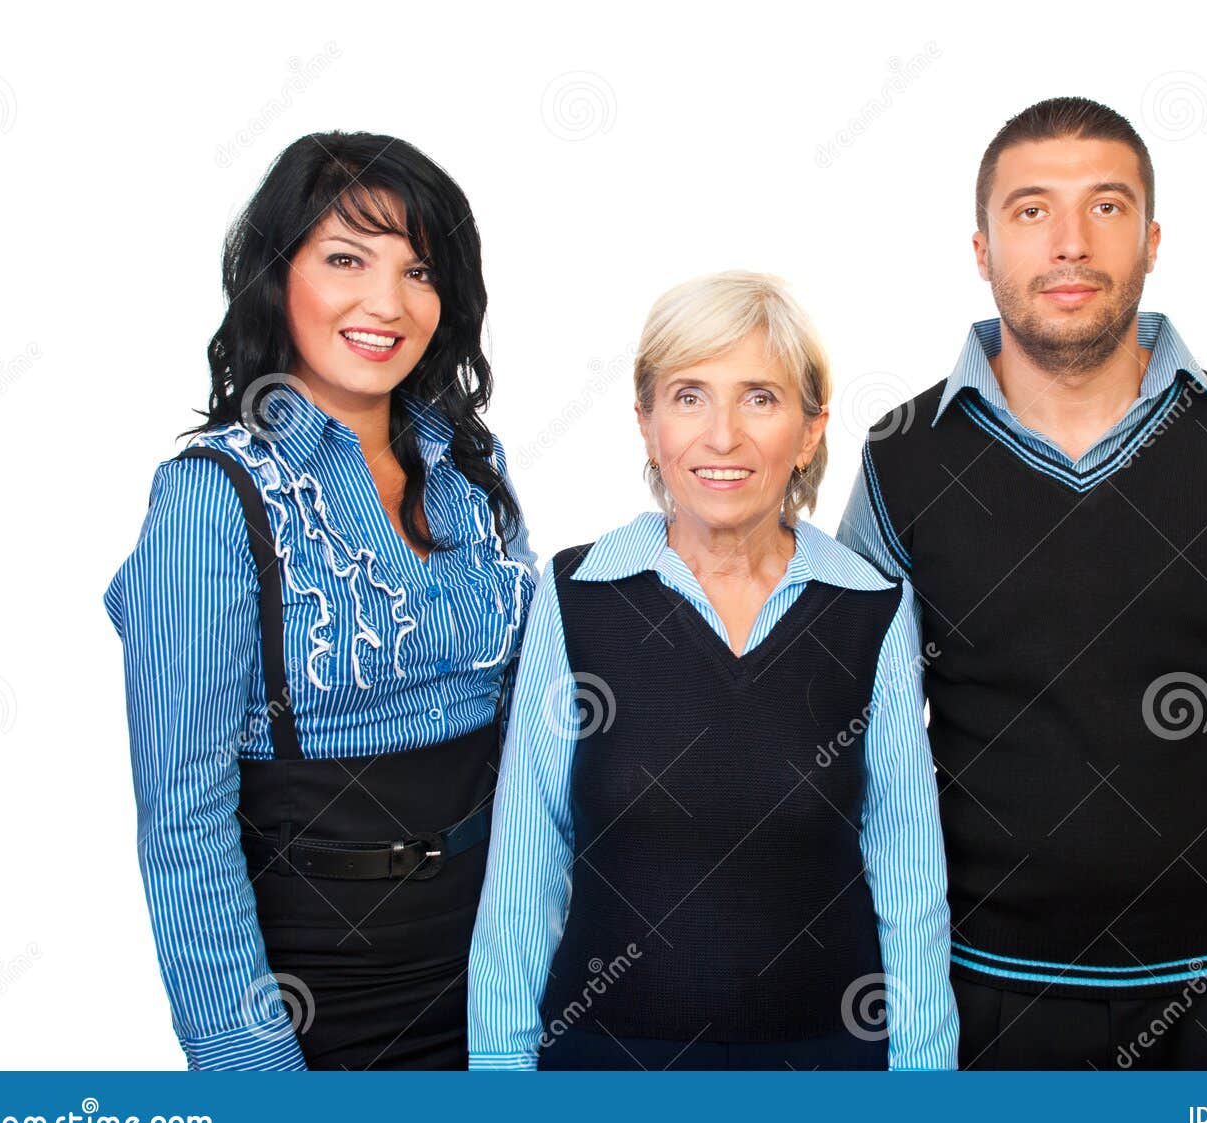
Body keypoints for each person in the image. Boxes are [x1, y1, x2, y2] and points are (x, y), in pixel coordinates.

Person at [839, 97, 1207, 1070]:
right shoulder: (903, 459)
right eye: (1030, 211)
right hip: (978, 1013)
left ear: (1151, 238)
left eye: (1105, 206)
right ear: (981, 248)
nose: (1068, 242)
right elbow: (852, 754)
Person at [104, 132, 535, 1070]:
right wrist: (253, 1072)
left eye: (419, 270)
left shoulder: (469, 465)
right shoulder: (213, 499)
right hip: (327, 997)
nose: (387, 303)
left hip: (506, 967)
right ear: (277, 275)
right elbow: (183, 818)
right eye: (346, 259)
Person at [467, 271, 957, 1070]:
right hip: (604, 1070)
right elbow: (525, 872)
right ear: (647, 423)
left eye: (759, 397)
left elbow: (910, 890)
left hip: (827, 1072)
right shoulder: (576, 596)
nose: (721, 435)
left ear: (809, 431)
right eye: (689, 395)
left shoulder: (870, 608)